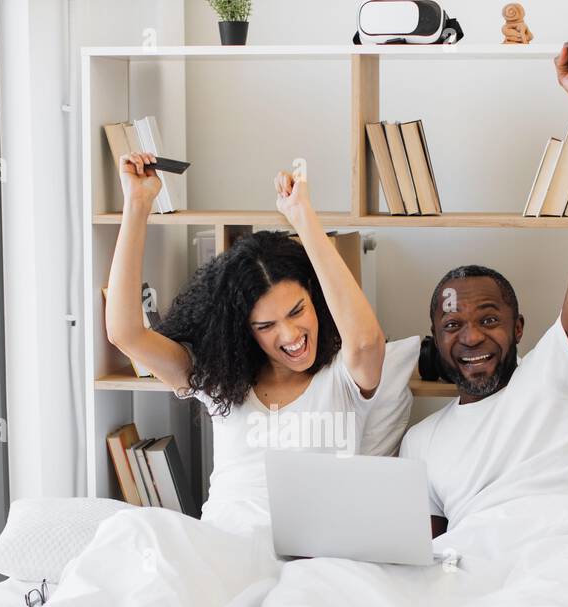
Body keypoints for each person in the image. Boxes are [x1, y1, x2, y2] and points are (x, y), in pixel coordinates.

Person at [399, 42, 568, 537]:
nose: (471, 338)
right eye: (452, 325)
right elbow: (423, 558)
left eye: (488, 320)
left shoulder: (560, 373)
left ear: (519, 327)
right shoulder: (421, 442)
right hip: (479, 583)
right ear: (434, 338)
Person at [106, 154, 408, 534]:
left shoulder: (345, 376)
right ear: (244, 331)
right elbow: (125, 334)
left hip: (313, 555)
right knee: (128, 539)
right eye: (266, 325)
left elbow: (366, 342)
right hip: (225, 547)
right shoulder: (219, 381)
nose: (290, 335)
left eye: (298, 311)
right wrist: (137, 204)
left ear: (317, 299)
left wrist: (302, 217)